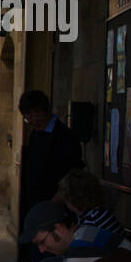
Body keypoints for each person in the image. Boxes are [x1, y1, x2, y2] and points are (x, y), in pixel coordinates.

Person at [17, 90, 83, 228]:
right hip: (35, 205)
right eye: (26, 116)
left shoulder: (64, 137)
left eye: (30, 115)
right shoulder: (36, 135)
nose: (29, 120)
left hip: (55, 209)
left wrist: (52, 205)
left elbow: (70, 175)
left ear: (41, 110)